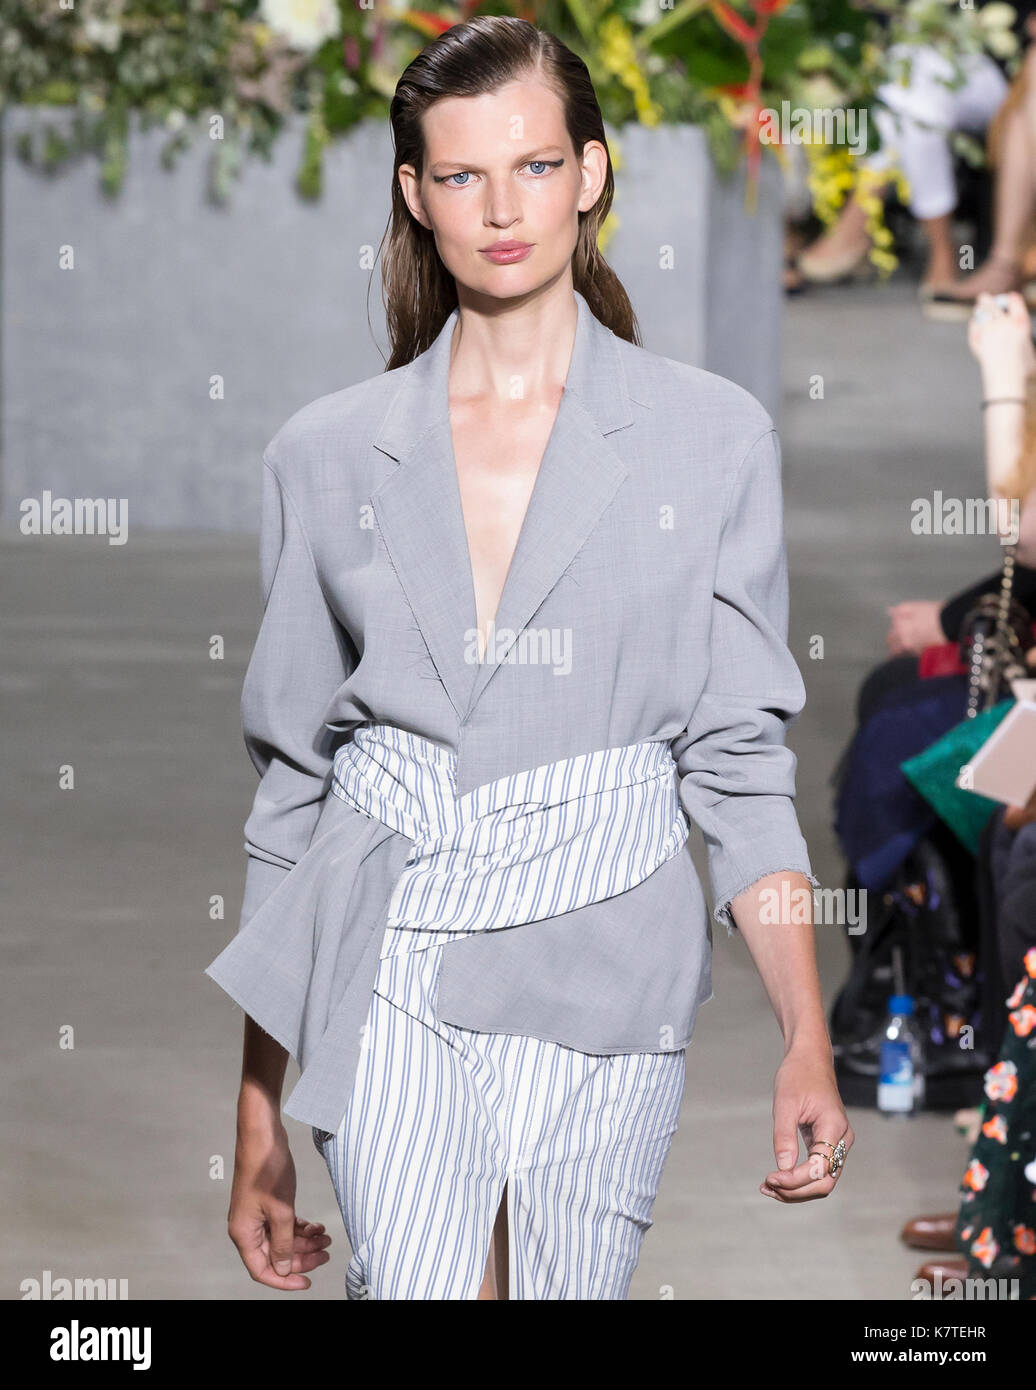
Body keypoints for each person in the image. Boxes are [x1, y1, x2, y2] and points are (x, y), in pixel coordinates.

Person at [204, 15, 851, 1302]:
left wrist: (804, 1034)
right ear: (413, 194)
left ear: (592, 173)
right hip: (386, 958)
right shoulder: (326, 455)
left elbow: (736, 759)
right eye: (460, 175)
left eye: (536, 166)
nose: (502, 208)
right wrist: (258, 1117)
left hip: (608, 950)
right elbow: (292, 799)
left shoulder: (708, 440)